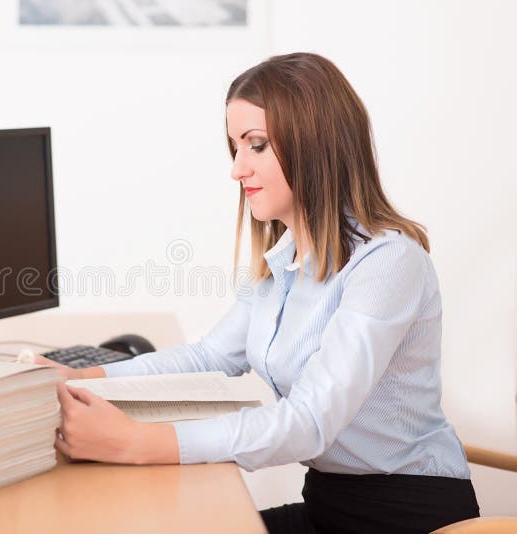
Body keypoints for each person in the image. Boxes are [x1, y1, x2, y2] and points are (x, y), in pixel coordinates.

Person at [35, 52, 480, 533]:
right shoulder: (282, 261)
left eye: (258, 145)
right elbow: (209, 355)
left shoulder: (389, 262)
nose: (237, 169)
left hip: (406, 515)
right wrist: (85, 375)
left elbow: (308, 422)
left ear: (317, 143)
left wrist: (140, 443)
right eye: (235, 148)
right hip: (330, 506)